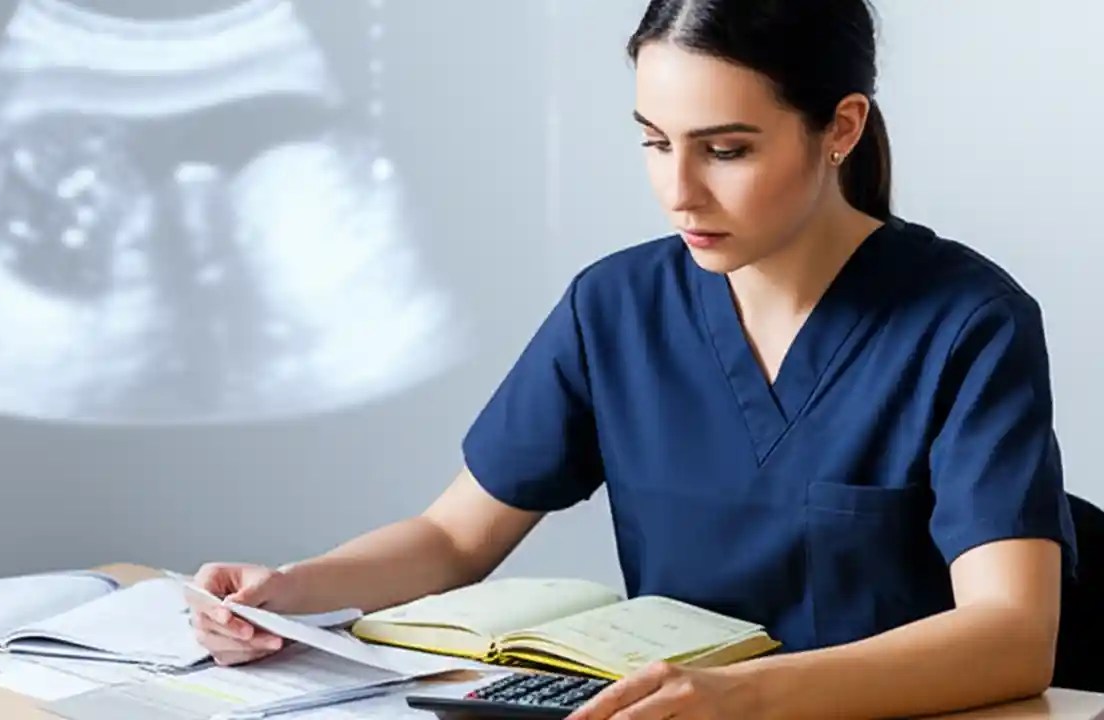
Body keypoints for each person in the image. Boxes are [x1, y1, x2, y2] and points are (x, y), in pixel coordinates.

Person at [186, 1, 1078, 717]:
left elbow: (1010, 635)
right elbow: (455, 537)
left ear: (840, 128)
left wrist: (742, 699)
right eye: (654, 142)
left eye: (725, 151)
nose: (678, 192)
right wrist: (287, 594)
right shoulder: (614, 307)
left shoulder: (966, 323)